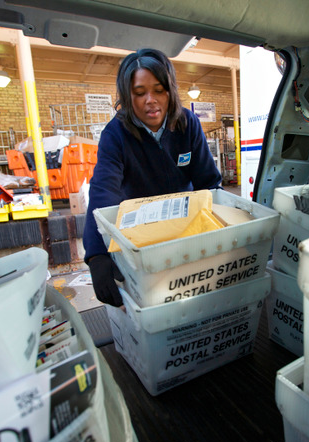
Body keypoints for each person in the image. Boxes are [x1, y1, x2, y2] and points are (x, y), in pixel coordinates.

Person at [83, 48, 222, 307]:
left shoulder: (187, 124)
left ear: (170, 91)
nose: (151, 100)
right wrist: (97, 255)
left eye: (159, 90)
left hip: (185, 228)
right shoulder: (115, 135)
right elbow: (103, 192)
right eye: (139, 93)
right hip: (142, 237)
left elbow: (208, 183)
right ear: (127, 95)